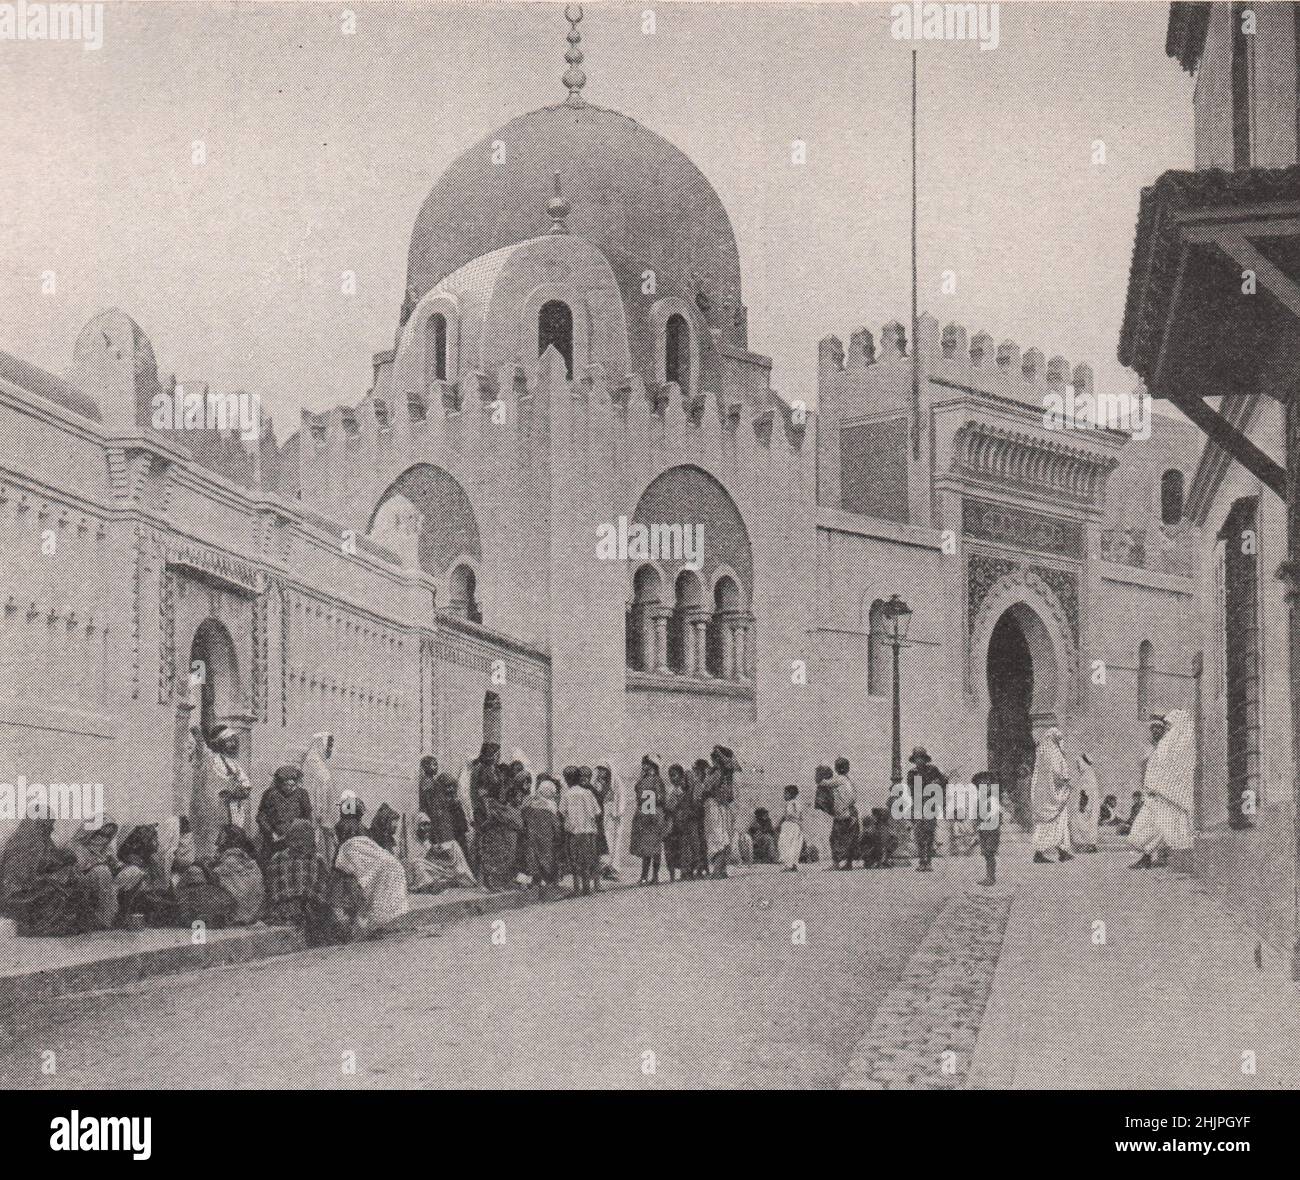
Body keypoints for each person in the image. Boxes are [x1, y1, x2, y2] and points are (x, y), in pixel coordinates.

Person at [1129, 710, 1195, 869]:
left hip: (1166, 794)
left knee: (1159, 827)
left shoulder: (1171, 745)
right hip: (1156, 793)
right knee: (1154, 827)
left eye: (1161, 728)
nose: (1157, 731)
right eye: (1154, 729)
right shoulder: (1155, 748)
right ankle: (1150, 856)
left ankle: (1150, 857)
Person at [333, 813, 410, 935]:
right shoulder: (360, 836)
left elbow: (343, 867)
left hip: (378, 871)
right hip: (386, 869)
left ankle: (369, 926)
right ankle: (374, 924)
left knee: (369, 896)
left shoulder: (348, 845)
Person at [68, 817, 148, 930]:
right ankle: (103, 920)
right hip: (82, 883)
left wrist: (125, 868)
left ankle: (121, 916)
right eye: (101, 834)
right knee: (102, 871)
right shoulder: (76, 846)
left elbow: (117, 865)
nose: (103, 839)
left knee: (135, 872)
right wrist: (98, 864)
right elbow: (77, 870)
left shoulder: (106, 850)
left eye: (108, 836)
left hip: (106, 883)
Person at [187, 721, 251, 860]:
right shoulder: (210, 759)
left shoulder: (233, 764)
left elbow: (246, 786)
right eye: (229, 741)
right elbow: (202, 748)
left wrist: (236, 793)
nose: (233, 745)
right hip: (212, 813)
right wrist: (198, 735)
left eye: (234, 741)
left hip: (233, 813)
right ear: (220, 743)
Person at [265, 819, 328, 925]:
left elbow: (272, 892)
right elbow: (322, 890)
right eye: (297, 840)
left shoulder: (277, 857)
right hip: (308, 911)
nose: (299, 844)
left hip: (282, 913)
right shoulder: (317, 859)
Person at [404, 812, 477, 893]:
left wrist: (437, 852)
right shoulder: (412, 840)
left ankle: (459, 874)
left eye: (428, 824)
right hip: (422, 869)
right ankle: (431, 884)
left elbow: (432, 856)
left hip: (433, 867)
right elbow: (414, 860)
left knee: (453, 845)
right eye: (423, 825)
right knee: (417, 864)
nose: (427, 827)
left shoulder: (426, 840)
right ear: (417, 826)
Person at [1030, 728, 1073, 864]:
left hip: (1044, 796)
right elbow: (1057, 772)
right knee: (1054, 823)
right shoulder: (1053, 752)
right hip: (1055, 795)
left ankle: (1062, 851)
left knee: (1054, 824)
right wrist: (1065, 779)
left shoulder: (1042, 750)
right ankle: (1040, 853)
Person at [208, 825, 265, 925]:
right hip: (252, 915)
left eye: (221, 838)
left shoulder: (229, 862)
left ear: (228, 841)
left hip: (237, 916)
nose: (217, 843)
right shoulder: (249, 861)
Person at [559, 766, 601, 896]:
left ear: (567, 780)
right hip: (589, 832)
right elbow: (597, 812)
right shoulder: (588, 793)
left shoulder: (566, 794)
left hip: (573, 833)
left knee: (575, 861)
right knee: (587, 859)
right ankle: (587, 888)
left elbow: (561, 812)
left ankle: (577, 889)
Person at [256, 764, 313, 860]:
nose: (290, 788)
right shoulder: (270, 794)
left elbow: (307, 817)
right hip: (274, 840)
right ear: (280, 783)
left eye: (293, 785)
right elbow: (261, 817)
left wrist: (302, 834)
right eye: (286, 785)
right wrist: (270, 833)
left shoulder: (302, 794)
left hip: (296, 841)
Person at [906, 748, 947, 871]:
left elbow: (944, 781)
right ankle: (921, 861)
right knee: (919, 835)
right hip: (918, 804)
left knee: (929, 834)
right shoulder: (912, 773)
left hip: (930, 804)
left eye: (921, 758)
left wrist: (938, 782)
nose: (919, 761)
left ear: (925, 759)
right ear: (914, 760)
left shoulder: (933, 770)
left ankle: (928, 861)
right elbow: (912, 789)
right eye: (917, 758)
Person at [630, 755, 668, 884]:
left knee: (654, 847)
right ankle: (645, 876)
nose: (643, 766)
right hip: (646, 813)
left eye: (645, 764)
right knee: (647, 847)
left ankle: (654, 876)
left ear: (651, 765)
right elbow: (637, 790)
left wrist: (649, 805)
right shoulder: (645, 779)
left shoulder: (656, 780)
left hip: (654, 814)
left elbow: (661, 798)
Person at [703, 745, 740, 879]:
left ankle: (718, 870)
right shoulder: (728, 773)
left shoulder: (717, 772)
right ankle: (721, 870)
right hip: (725, 807)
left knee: (717, 838)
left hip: (715, 806)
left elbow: (707, 788)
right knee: (724, 838)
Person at [479, 783, 525, 890]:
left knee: (508, 860)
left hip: (510, 838)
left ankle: (505, 882)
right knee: (496, 861)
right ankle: (490, 884)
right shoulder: (498, 807)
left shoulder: (508, 808)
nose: (520, 798)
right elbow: (493, 820)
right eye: (518, 796)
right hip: (499, 838)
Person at [522, 778, 561, 897]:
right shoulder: (551, 805)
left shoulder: (529, 801)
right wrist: (558, 837)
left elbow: (523, 817)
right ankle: (548, 887)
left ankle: (535, 883)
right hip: (546, 838)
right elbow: (556, 825)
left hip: (532, 836)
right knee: (547, 859)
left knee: (533, 858)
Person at [301, 732, 336, 865]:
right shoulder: (316, 766)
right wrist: (320, 814)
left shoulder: (315, 763)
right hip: (317, 818)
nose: (330, 750)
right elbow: (319, 796)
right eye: (329, 746)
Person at [595, 760, 628, 881]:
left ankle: (614, 868)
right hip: (604, 815)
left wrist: (618, 812)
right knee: (606, 841)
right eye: (599, 770)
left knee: (615, 842)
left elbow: (621, 796)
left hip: (614, 816)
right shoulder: (599, 782)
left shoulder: (616, 781)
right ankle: (605, 868)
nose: (601, 772)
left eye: (603, 769)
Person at [827, 757, 860, 870]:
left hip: (844, 814)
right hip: (850, 813)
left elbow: (824, 784)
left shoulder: (839, 780)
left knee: (835, 838)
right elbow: (854, 797)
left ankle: (836, 864)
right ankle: (848, 863)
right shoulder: (849, 780)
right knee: (849, 838)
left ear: (836, 768)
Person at [974, 771, 1002, 886]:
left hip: (992, 831)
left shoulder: (993, 800)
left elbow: (998, 815)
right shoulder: (980, 800)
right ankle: (988, 876)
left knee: (990, 853)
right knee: (986, 854)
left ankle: (991, 877)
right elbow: (977, 815)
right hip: (983, 831)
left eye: (987, 786)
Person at [662, 764, 689, 882]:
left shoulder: (683, 790)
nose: (672, 778)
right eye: (670, 776)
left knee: (682, 849)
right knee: (669, 850)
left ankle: (684, 873)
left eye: (674, 775)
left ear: (681, 775)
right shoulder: (670, 790)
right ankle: (672, 875)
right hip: (671, 824)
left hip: (680, 824)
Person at [1069, 753, 1101, 853]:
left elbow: (1084, 792)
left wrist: (1082, 805)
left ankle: (1084, 845)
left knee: (1081, 824)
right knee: (1089, 824)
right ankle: (1090, 844)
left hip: (1085, 805)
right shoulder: (1089, 773)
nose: (1078, 766)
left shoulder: (1087, 775)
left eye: (1079, 763)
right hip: (1089, 805)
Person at [777, 786, 805, 870]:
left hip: (788, 826)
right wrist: (800, 825)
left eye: (785, 793)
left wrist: (779, 824)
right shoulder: (798, 803)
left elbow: (787, 815)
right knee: (795, 845)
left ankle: (788, 864)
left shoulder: (789, 803)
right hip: (797, 826)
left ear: (790, 794)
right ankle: (794, 863)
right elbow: (801, 817)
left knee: (785, 844)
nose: (784, 795)